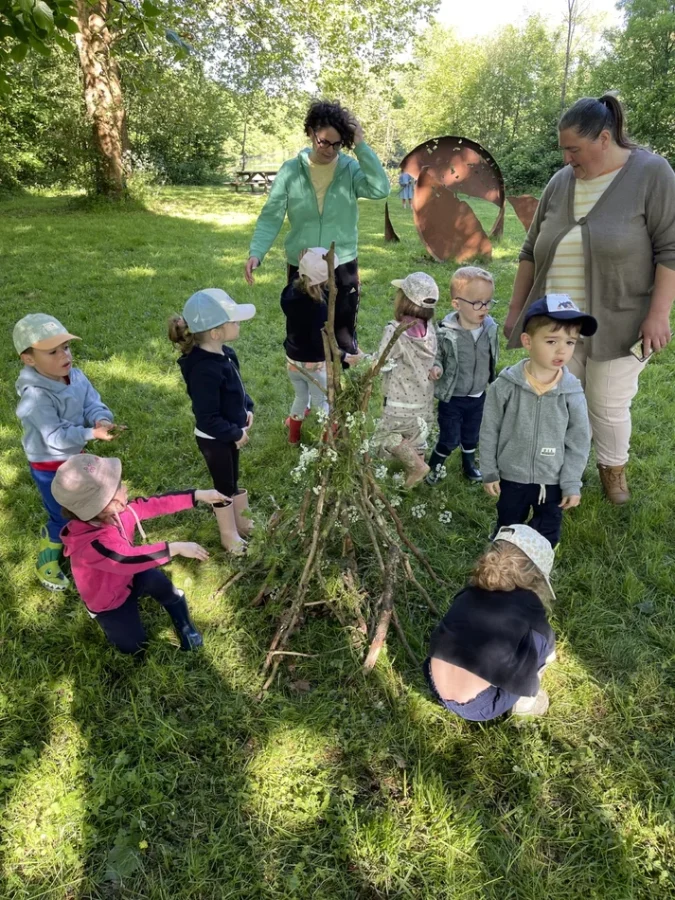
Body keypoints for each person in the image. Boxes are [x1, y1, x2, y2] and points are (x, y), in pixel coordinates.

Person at [503, 93, 675, 504]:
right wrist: (516, 310)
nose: (566, 159)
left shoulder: (652, 173)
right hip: (556, 323)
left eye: (573, 149)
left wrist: (658, 314)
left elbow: (670, 249)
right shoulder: (560, 183)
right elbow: (529, 251)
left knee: (606, 403)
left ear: (603, 138)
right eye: (564, 149)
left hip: (621, 318)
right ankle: (561, 475)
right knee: (557, 401)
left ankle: (612, 470)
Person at [244, 99, 390, 355]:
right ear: (311, 132)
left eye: (337, 144)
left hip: (341, 263)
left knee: (343, 339)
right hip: (303, 266)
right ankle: (306, 393)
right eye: (324, 142)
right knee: (302, 335)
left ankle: (339, 394)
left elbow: (380, 189)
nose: (330, 150)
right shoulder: (290, 171)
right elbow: (271, 216)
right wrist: (257, 252)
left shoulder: (350, 169)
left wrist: (361, 145)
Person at [53, 454, 223, 655]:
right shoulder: (91, 545)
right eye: (119, 487)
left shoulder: (119, 511)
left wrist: (197, 495)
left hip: (130, 575)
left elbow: (154, 504)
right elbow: (125, 558)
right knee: (133, 647)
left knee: (161, 584)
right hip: (108, 600)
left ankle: (184, 623)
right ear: (106, 504)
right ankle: (124, 631)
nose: (125, 488)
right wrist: (174, 548)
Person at [14, 313, 123, 592]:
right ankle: (47, 557)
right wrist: (89, 434)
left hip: (74, 457)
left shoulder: (74, 375)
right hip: (49, 464)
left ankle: (93, 543)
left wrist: (100, 419)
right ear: (29, 359)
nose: (64, 355)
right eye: (52, 351)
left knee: (89, 503)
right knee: (63, 515)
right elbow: (55, 438)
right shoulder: (35, 396)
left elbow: (91, 402)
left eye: (66, 347)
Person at [479, 295, 595, 547]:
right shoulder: (505, 386)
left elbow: (579, 440)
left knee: (547, 534)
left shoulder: (572, 391)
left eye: (570, 341)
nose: (562, 350)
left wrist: (572, 482)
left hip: (552, 481)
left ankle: (537, 573)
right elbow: (489, 430)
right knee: (508, 530)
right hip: (512, 477)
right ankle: (502, 570)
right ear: (527, 341)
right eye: (552, 341)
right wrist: (489, 471)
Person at [425, 525, 556, 721]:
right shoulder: (532, 613)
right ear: (537, 578)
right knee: (541, 651)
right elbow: (546, 649)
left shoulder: (469, 592)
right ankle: (525, 706)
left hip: (433, 680)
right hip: (478, 706)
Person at [168, 289, 255, 555]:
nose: (239, 324)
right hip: (215, 439)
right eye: (234, 321)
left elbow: (236, 389)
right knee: (222, 486)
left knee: (232, 477)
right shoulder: (204, 370)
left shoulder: (225, 353)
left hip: (229, 432)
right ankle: (229, 536)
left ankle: (243, 523)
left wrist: (246, 408)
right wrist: (234, 433)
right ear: (216, 332)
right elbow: (207, 418)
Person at [280, 247, 362, 444]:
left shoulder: (289, 292)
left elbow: (300, 279)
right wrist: (343, 356)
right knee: (322, 403)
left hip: (292, 360)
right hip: (314, 365)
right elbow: (319, 342)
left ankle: (293, 438)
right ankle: (328, 441)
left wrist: (305, 263)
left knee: (300, 398)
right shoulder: (319, 307)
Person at [427, 266, 499, 486]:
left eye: (488, 302)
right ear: (457, 304)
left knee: (472, 435)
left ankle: (469, 464)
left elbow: (491, 356)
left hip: (479, 396)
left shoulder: (489, 328)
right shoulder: (445, 332)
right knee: (449, 439)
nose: (484, 308)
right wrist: (436, 367)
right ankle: (434, 468)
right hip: (453, 397)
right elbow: (437, 355)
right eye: (477, 303)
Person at [375, 272, 438, 488]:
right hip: (423, 403)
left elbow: (379, 363)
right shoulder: (431, 331)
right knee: (416, 439)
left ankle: (416, 468)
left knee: (386, 437)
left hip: (398, 404)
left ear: (403, 300)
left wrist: (361, 360)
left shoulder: (395, 331)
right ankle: (414, 480)